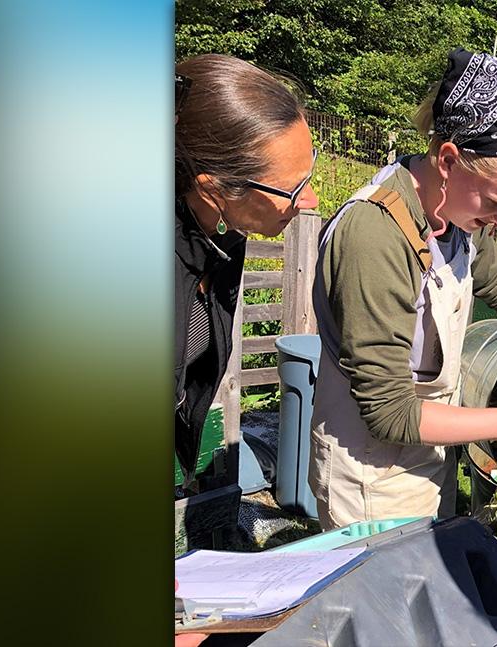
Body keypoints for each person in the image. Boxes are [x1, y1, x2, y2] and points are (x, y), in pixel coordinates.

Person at [310, 48, 497, 530]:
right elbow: (389, 413)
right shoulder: (375, 236)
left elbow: (495, 278)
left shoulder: (454, 212)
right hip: (370, 475)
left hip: (430, 452)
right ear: (447, 159)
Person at [174, 53, 319, 488]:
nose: (310, 200)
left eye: (309, 173)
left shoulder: (223, 240)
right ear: (214, 188)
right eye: (292, 189)